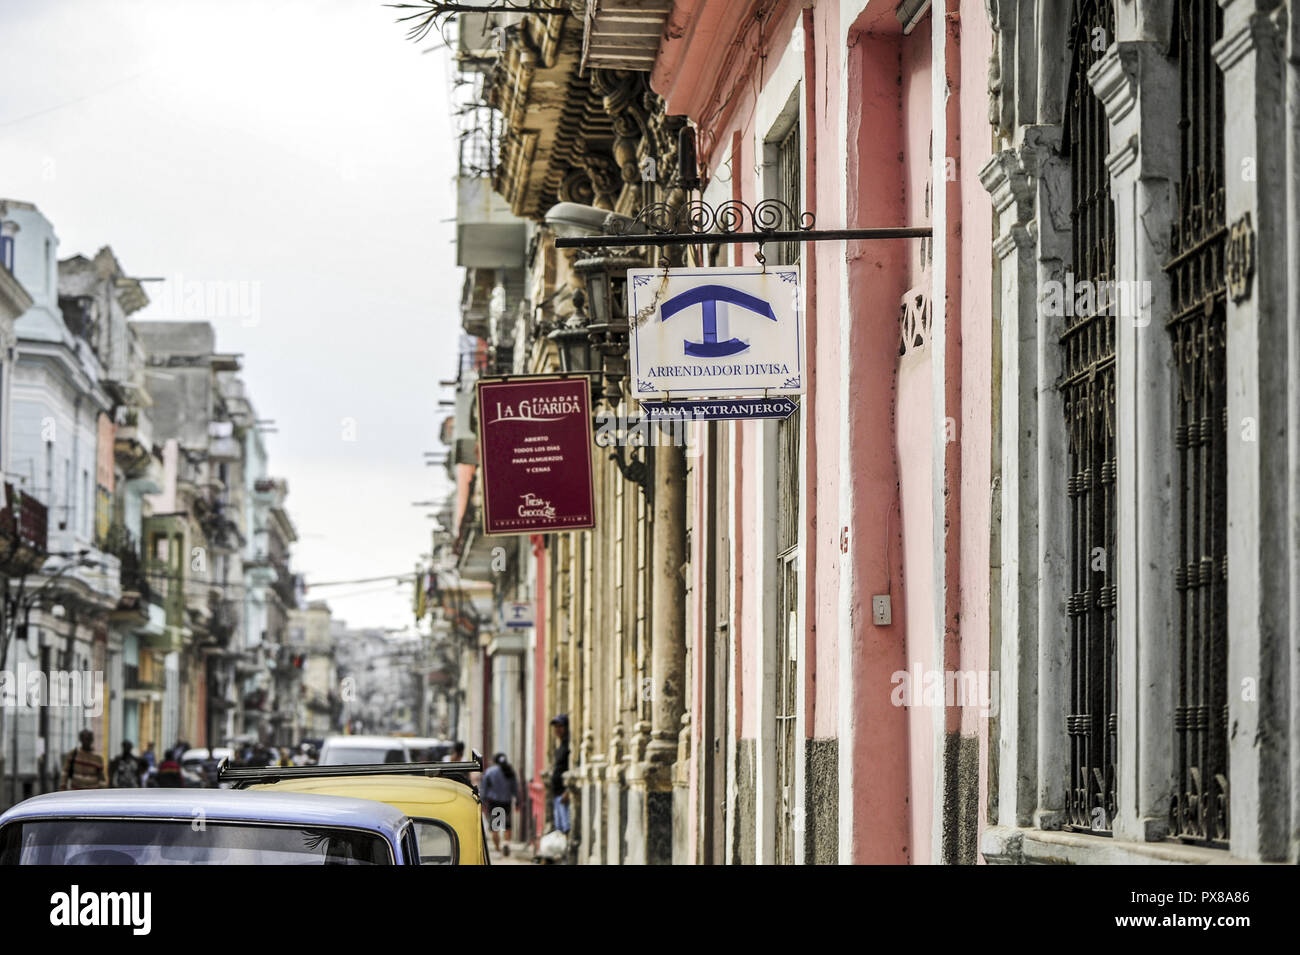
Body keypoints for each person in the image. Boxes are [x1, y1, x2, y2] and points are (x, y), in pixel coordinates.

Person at [480, 753, 519, 856]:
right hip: (506, 802)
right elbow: (515, 788)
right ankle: (506, 843)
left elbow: (484, 788)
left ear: (495, 761)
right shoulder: (509, 771)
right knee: (507, 825)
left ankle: (497, 849)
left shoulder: (490, 772)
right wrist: (518, 800)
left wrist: (482, 801)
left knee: (495, 827)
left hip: (494, 802)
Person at [549, 714, 570, 835]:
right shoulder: (561, 746)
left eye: (560, 726)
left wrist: (567, 792)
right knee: (559, 827)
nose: (557, 729)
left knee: (565, 827)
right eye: (556, 727)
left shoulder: (567, 746)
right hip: (556, 793)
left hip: (563, 794)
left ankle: (566, 852)